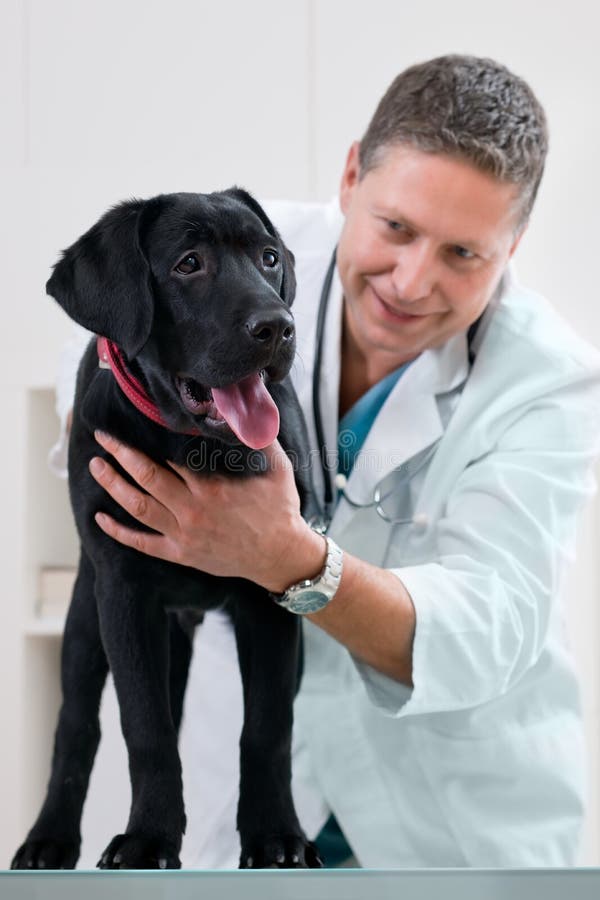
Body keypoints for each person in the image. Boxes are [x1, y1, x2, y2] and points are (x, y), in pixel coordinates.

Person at [52, 55, 600, 868]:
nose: (412, 281)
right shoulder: (236, 250)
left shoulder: (548, 381)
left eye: (464, 254)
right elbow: (111, 377)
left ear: (513, 245)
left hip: (455, 831)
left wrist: (286, 558)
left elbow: (487, 630)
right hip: (239, 816)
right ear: (351, 177)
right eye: (396, 228)